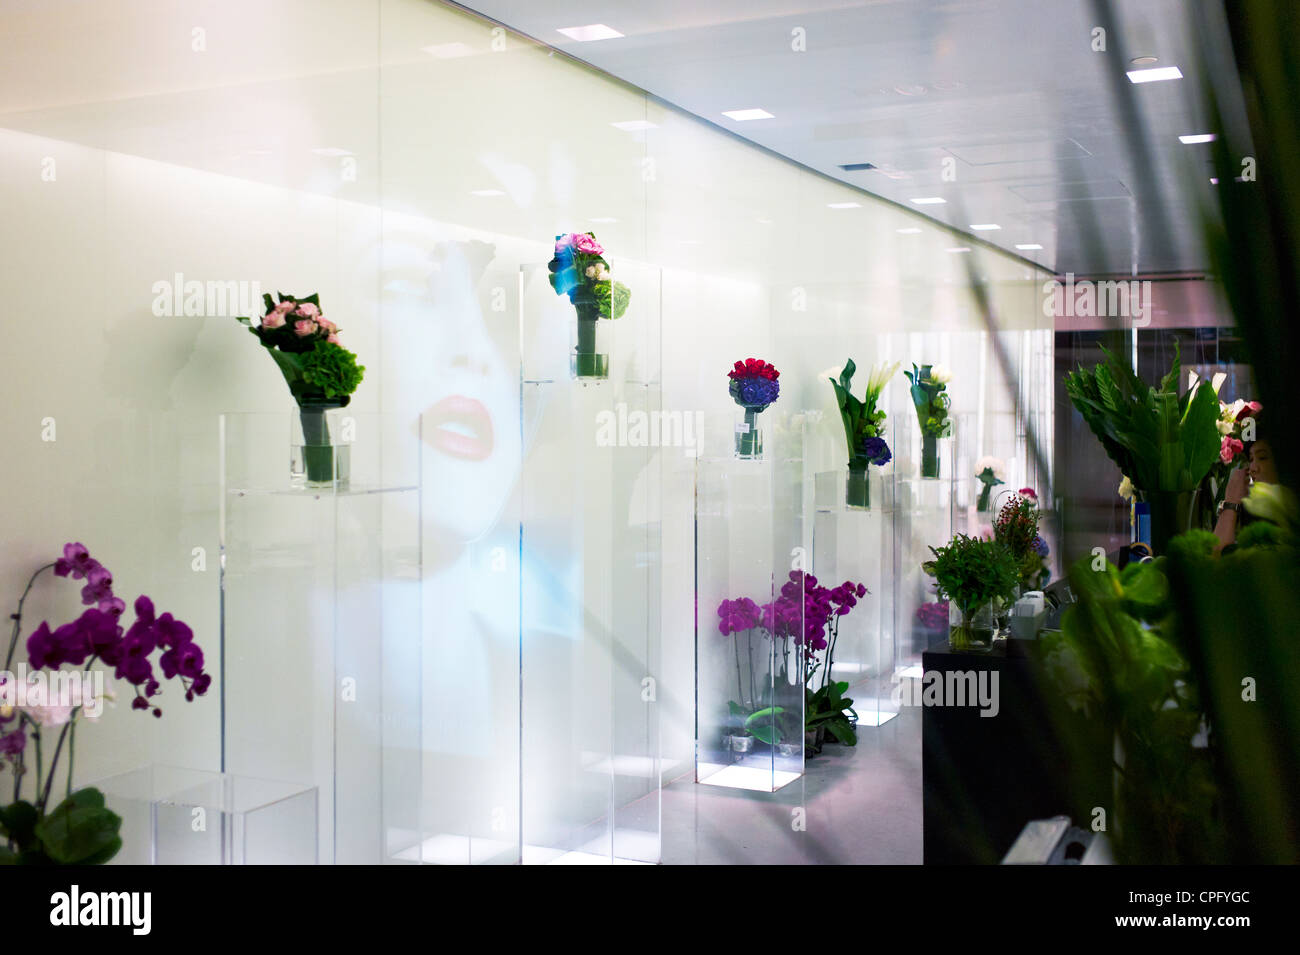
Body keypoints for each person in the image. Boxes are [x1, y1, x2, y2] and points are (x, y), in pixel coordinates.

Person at [1214, 420, 1279, 552]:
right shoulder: (1253, 510)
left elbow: (1217, 557)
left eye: (1262, 457)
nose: (1253, 468)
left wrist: (1231, 502)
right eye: (1251, 459)